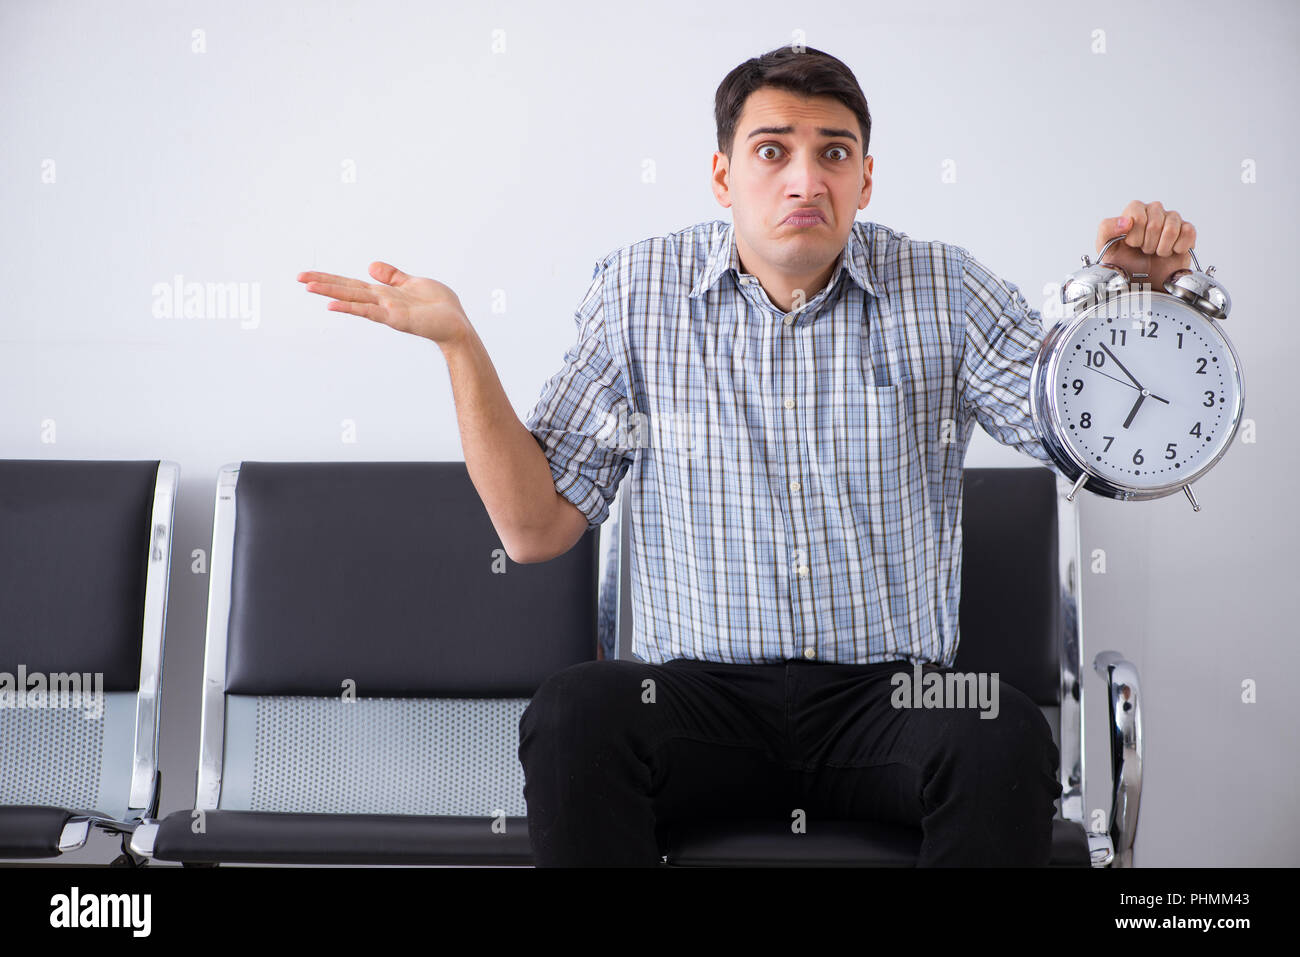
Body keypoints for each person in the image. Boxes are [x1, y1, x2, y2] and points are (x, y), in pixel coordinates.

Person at [297, 45, 1197, 867]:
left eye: (834, 153)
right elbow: (535, 528)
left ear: (867, 178)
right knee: (576, 712)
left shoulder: (946, 289)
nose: (806, 178)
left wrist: (1128, 315)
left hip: (891, 699)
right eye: (773, 151)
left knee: (999, 727)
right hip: (693, 701)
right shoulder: (637, 290)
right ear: (724, 174)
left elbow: (1080, 440)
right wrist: (461, 345)